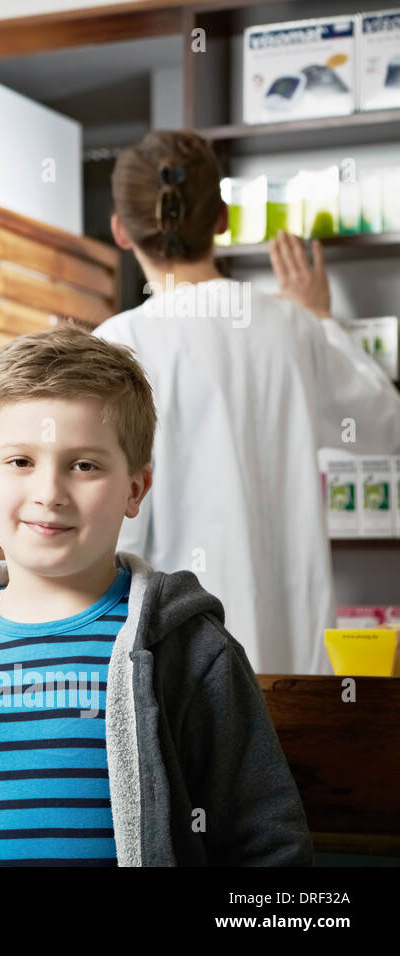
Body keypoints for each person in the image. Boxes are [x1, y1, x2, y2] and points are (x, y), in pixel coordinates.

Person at [0, 328, 313, 866]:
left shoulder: (192, 649)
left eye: (84, 465)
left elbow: (266, 843)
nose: (49, 493)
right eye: (20, 462)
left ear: (136, 489)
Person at [93, 130, 400, 676]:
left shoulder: (114, 344)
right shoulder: (291, 328)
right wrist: (322, 320)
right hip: (288, 665)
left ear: (120, 229)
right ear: (223, 220)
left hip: (165, 657)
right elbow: (383, 424)